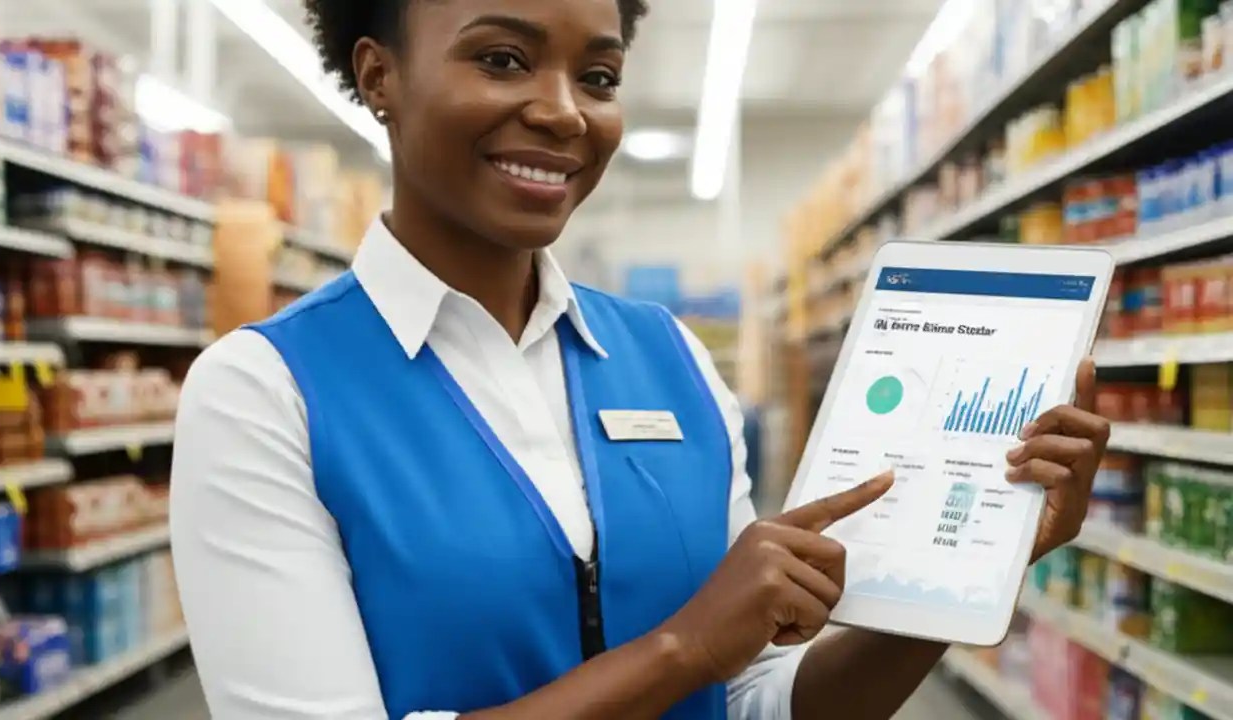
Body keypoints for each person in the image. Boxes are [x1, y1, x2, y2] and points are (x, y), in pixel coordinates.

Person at [168, 0, 1111, 717]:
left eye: (602, 77)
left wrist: (977, 565)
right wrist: (685, 650)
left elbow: (763, 701)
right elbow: (704, 660)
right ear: (380, 77)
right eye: (503, 60)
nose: (565, 113)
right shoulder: (267, 392)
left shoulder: (671, 358)